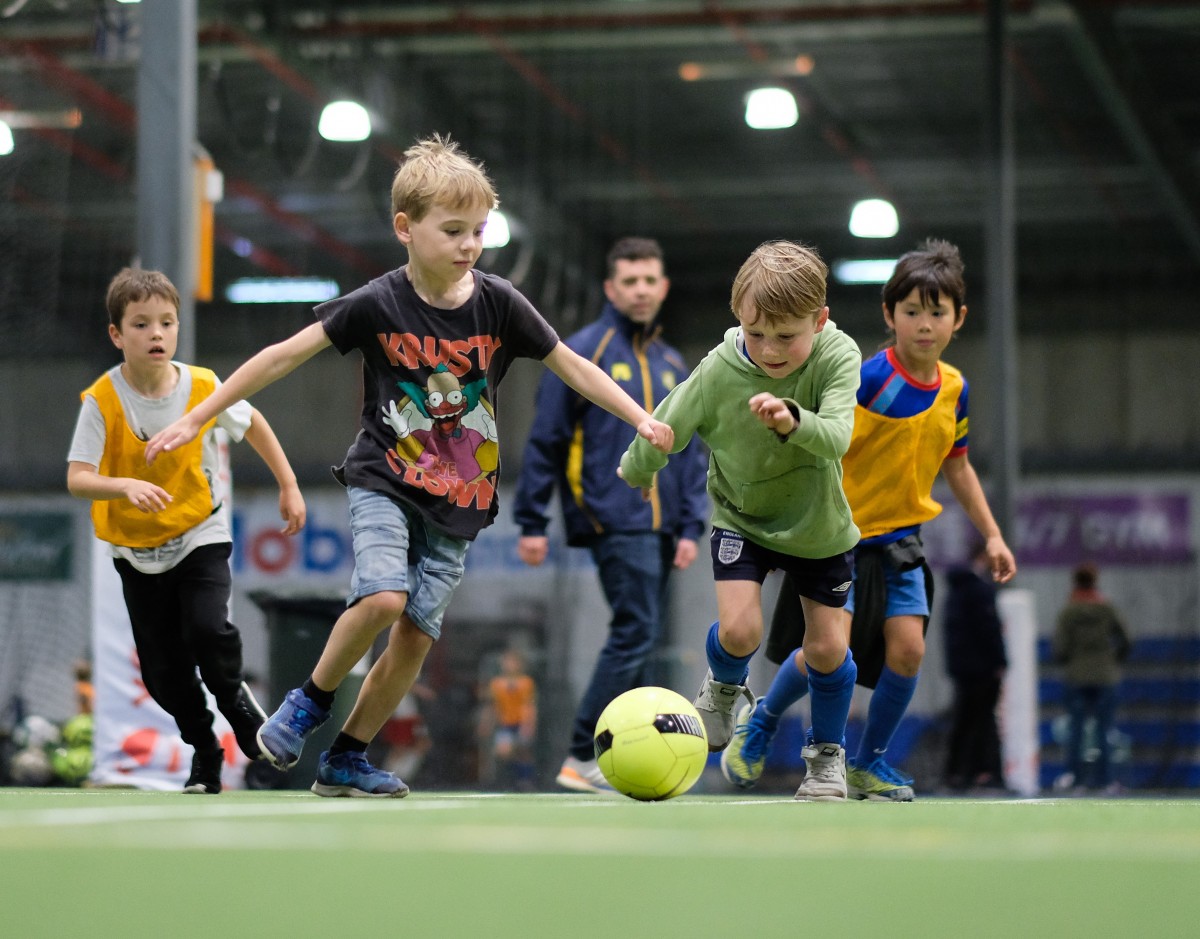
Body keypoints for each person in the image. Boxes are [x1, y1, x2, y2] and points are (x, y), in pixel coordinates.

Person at [144, 134, 674, 798]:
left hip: (460, 499)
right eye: (452, 230)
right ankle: (307, 702)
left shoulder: (499, 302)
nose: (469, 244)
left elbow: (574, 365)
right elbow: (283, 354)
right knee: (384, 595)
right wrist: (198, 415)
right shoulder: (379, 302)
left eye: (478, 230)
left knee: (416, 640)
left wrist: (639, 416)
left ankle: (346, 757)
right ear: (405, 227)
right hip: (384, 479)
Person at [721, 238, 1017, 801]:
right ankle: (759, 725)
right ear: (890, 315)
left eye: (937, 313)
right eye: (911, 312)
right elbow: (816, 441)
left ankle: (869, 764)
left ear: (959, 318)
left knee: (909, 649)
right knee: (826, 652)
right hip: (842, 540)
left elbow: (958, 468)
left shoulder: (956, 389)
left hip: (903, 542)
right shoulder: (866, 379)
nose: (924, 325)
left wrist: (994, 534)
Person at [620, 240, 862, 801]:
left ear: (819, 320)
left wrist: (792, 418)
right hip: (741, 517)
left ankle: (826, 760)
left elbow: (838, 438)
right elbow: (669, 421)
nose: (770, 351)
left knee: (826, 650)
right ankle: (724, 690)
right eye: (756, 334)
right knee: (739, 630)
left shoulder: (837, 356)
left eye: (787, 336)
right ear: (739, 321)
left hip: (818, 527)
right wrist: (639, 467)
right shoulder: (721, 368)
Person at [67, 267, 306, 795]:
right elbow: (77, 478)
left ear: (177, 330)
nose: (156, 333)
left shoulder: (202, 386)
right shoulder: (101, 401)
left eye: (166, 323)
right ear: (117, 335)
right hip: (135, 548)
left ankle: (240, 711)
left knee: (206, 628)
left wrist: (288, 484)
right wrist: (124, 486)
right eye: (141, 324)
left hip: (200, 529)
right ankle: (203, 748)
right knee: (162, 674)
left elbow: (255, 425)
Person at [511, 236, 708, 793]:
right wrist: (531, 522)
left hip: (664, 526)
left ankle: (630, 759)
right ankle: (581, 752)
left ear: (663, 287)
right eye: (630, 280)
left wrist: (691, 522)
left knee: (642, 639)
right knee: (635, 630)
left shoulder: (673, 364)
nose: (641, 290)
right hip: (610, 515)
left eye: (650, 280)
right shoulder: (581, 353)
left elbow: (690, 449)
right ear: (610, 288)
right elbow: (547, 439)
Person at [1052, 562, 1131, 794]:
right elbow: (1126, 639)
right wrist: (1113, 660)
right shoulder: (1107, 609)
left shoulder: (1069, 611)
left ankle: (1077, 781)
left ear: (1075, 582)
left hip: (1076, 677)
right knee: (1104, 730)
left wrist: (1069, 662)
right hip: (1106, 676)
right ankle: (1105, 781)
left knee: (1076, 731)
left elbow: (1060, 647)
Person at [942, 541, 1008, 792]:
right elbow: (988, 630)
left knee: (964, 720)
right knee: (983, 721)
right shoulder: (979, 590)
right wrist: (999, 660)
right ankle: (987, 772)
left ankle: (958, 773)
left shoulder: (956, 588)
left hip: (962, 666)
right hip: (982, 667)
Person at [479, 648, 537, 790]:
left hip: (521, 723)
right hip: (505, 724)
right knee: (503, 751)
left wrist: (529, 724)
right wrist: (486, 723)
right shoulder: (496, 683)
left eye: (512, 662)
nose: (508, 665)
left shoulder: (526, 683)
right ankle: (505, 782)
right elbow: (492, 705)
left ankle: (525, 781)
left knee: (523, 752)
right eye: (506, 662)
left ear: (519, 664)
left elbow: (529, 705)